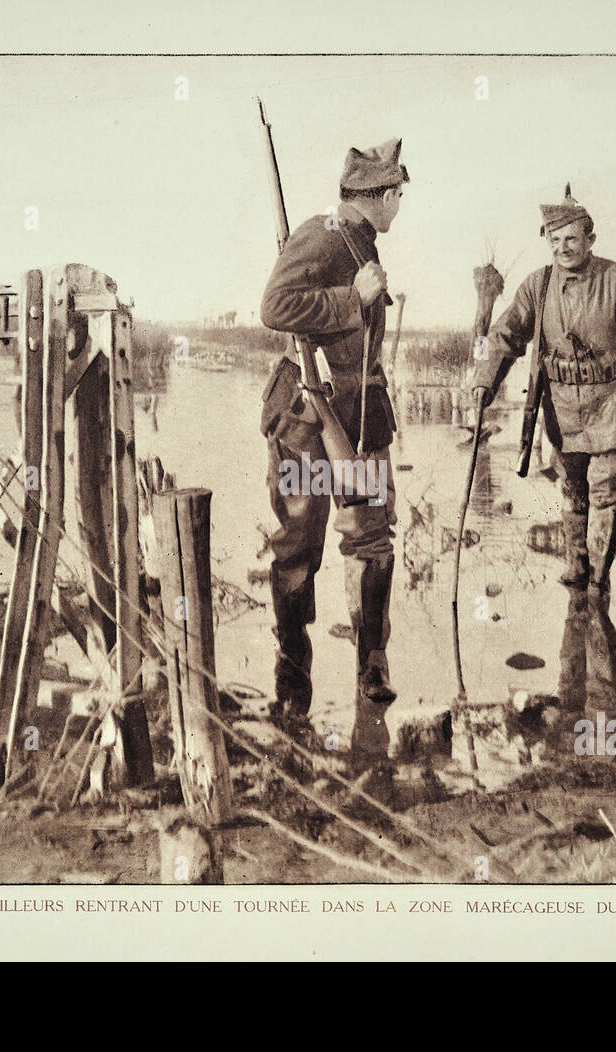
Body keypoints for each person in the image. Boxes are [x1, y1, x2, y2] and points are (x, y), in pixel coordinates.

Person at [472, 185, 616, 592]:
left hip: (610, 406)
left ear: (590, 238)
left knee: (606, 491)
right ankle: (577, 568)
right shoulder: (537, 286)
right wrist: (485, 381)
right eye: (554, 240)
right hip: (560, 410)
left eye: (571, 238)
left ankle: (598, 582)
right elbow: (505, 334)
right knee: (572, 485)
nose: (563, 247)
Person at [258, 138, 409, 719]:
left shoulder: (358, 239)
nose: (399, 207)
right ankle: (292, 672)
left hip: (362, 416)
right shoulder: (322, 234)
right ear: (381, 194)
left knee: (371, 536)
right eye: (397, 196)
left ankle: (373, 661)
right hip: (306, 415)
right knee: (299, 544)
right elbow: (275, 306)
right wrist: (352, 297)